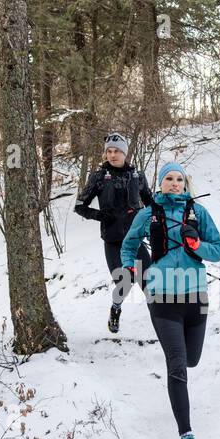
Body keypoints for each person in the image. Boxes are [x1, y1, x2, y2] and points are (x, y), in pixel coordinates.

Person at [119, 162, 220, 439]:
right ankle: (186, 437)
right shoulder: (148, 213)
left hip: (196, 295)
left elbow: (218, 250)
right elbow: (128, 246)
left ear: (186, 184)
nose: (174, 183)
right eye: (169, 179)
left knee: (192, 359)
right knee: (177, 365)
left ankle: (183, 417)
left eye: (179, 179)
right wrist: (133, 268)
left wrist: (197, 244)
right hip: (162, 295)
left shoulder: (198, 213)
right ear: (160, 183)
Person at [74, 132, 152, 332]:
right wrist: (102, 216)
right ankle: (115, 309)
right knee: (124, 282)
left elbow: (151, 204)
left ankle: (164, 322)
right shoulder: (99, 177)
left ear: (125, 153)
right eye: (109, 151)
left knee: (150, 284)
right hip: (113, 240)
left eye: (117, 151)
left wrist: (149, 218)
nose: (112, 154)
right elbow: (80, 206)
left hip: (135, 240)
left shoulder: (137, 176)